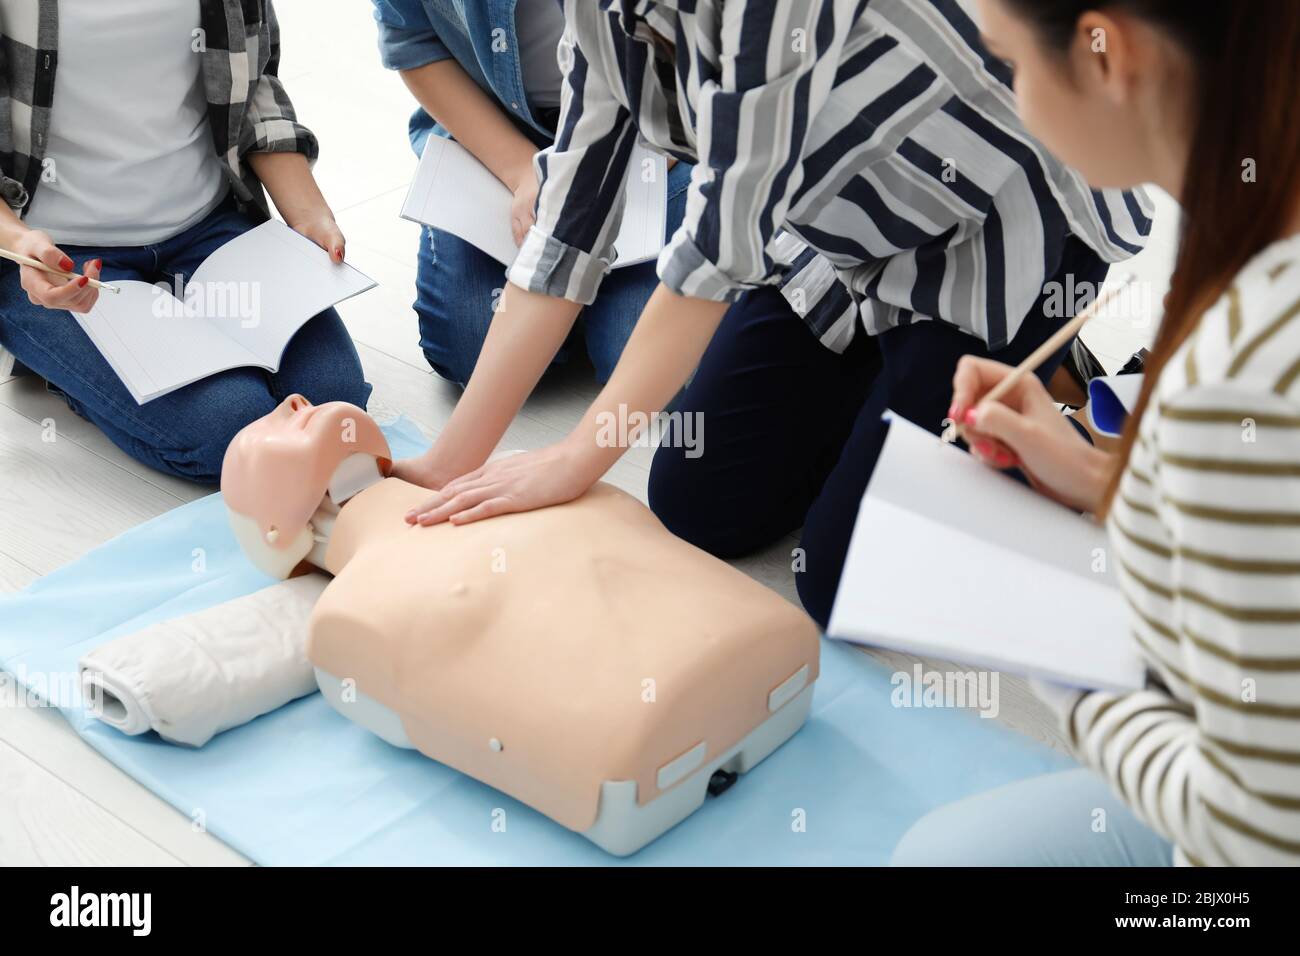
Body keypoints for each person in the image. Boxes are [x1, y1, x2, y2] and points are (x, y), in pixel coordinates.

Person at [392, 0, 1150, 628]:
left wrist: (571, 459)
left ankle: (1075, 414)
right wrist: (450, 463)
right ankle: (898, 402)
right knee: (697, 506)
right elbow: (569, 220)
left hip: (999, 228)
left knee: (836, 580)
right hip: (842, 234)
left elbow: (718, 253)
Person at [894, 0, 1300, 866]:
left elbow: (1256, 828)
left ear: (1107, 56)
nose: (1013, 97)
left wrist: (1068, 666)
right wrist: (1097, 477)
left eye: (1010, 63)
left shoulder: (1234, 377)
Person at [0, 0, 369, 483]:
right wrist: (21, 242)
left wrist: (308, 212)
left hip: (210, 225)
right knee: (236, 433)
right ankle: (61, 368)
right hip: (62, 260)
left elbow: (254, 82)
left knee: (334, 401)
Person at [371, 0, 692, 386]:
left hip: (657, 123)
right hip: (498, 123)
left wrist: (653, 140)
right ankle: (585, 305)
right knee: (475, 351)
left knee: (648, 367)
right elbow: (412, 40)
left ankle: (588, 306)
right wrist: (522, 171)